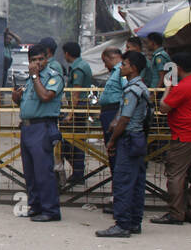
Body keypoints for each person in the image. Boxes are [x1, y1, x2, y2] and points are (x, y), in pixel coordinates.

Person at [152, 49, 191, 225]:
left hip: (184, 135)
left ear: (178, 68)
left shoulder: (183, 86)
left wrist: (168, 88)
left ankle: (176, 213)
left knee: (176, 175)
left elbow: (164, 107)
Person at [97, 51, 151, 237]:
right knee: (136, 182)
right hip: (138, 138)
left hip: (128, 138)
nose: (121, 67)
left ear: (133, 68)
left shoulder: (131, 90)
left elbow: (125, 119)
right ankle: (135, 222)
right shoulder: (142, 87)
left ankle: (122, 224)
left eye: (125, 64)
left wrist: (112, 140)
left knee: (122, 182)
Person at [11, 43, 64, 222]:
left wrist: (35, 76)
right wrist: (17, 99)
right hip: (28, 127)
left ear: (47, 59)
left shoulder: (52, 77)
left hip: (43, 126)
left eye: (41, 59)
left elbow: (46, 96)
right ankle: (36, 206)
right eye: (34, 60)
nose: (38, 63)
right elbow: (28, 103)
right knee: (31, 171)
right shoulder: (30, 80)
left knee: (43, 171)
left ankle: (51, 210)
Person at [60, 41, 94, 186]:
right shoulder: (82, 65)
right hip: (80, 108)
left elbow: (76, 93)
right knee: (74, 140)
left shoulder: (78, 68)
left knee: (73, 141)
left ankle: (78, 172)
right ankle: (78, 171)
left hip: (78, 109)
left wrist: (71, 114)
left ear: (67, 54)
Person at [97, 47, 124, 214]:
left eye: (104, 62)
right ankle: (117, 198)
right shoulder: (116, 72)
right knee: (114, 157)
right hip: (110, 114)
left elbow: (127, 96)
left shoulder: (122, 72)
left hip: (115, 115)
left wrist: (116, 118)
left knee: (117, 158)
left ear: (109, 58)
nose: (104, 66)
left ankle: (119, 199)